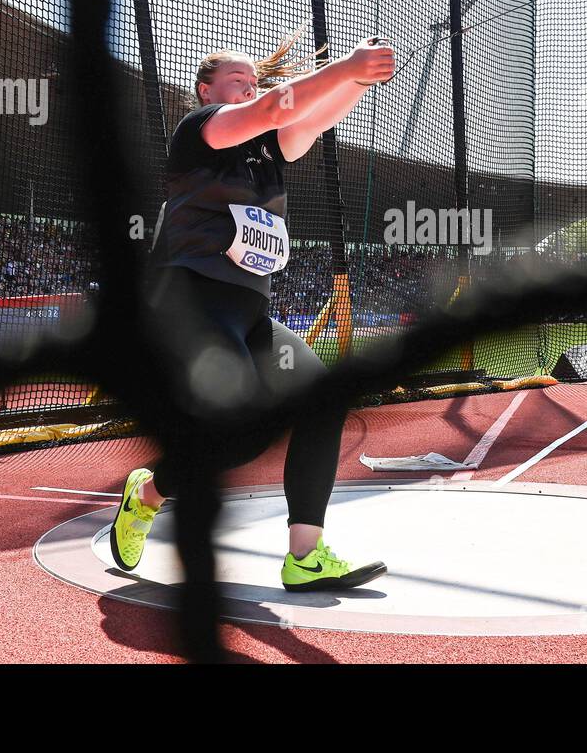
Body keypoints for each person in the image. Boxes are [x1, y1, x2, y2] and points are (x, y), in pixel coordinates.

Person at [111, 30, 395, 591]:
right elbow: (273, 106)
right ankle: (146, 495)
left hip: (248, 311)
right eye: (235, 80)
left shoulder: (267, 151)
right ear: (205, 91)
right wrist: (344, 67)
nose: (248, 86)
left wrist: (360, 80)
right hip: (189, 302)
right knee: (239, 434)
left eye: (251, 79)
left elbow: (310, 121)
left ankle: (305, 556)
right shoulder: (201, 130)